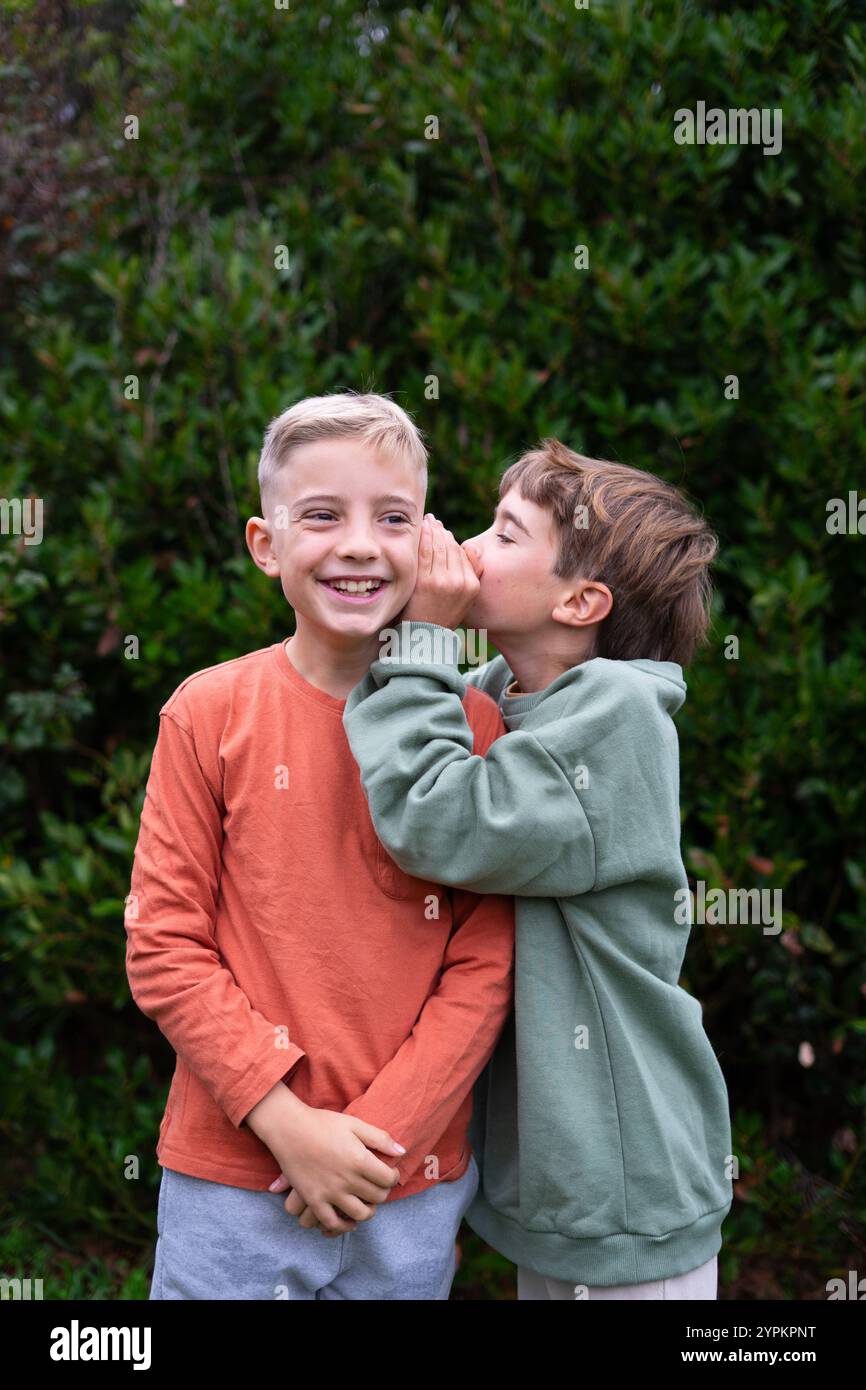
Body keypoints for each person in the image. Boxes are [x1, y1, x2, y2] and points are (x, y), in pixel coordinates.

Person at [125, 391, 515, 1300]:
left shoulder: (474, 725)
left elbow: (486, 962)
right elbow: (164, 943)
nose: (356, 544)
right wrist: (289, 1126)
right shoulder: (209, 712)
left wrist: (377, 1137)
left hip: (406, 1181)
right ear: (266, 544)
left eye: (391, 517)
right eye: (322, 516)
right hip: (232, 1175)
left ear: (427, 543)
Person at [341, 437, 734, 1300]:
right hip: (570, 1183)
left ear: (581, 601)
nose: (472, 544)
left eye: (506, 534)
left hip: (626, 1183)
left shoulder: (621, 716)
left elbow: (438, 819)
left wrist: (420, 638)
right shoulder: (500, 691)